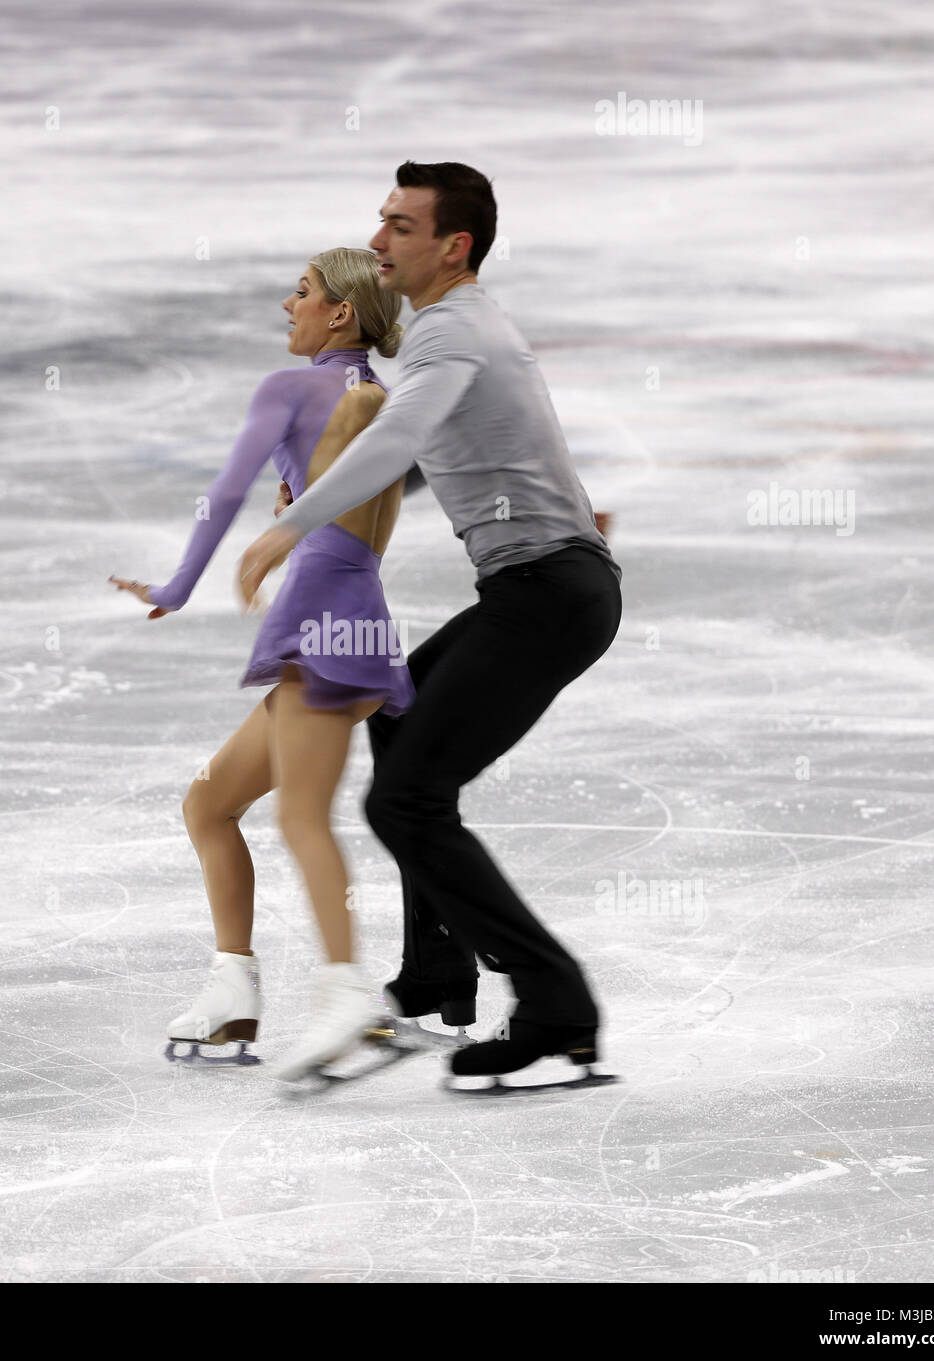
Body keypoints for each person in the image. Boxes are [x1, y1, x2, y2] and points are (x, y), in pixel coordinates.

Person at [238, 162, 624, 1085]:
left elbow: (398, 439)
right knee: (398, 710)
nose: (378, 241)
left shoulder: (451, 330)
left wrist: (289, 528)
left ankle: (557, 1003)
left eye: (401, 227)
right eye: (381, 221)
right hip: (543, 586)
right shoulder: (451, 332)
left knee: (403, 801)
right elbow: (434, 451)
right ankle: (437, 968)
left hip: (549, 593)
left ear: (455, 246)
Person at [110, 248, 412, 1082]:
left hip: (322, 614)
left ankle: (347, 992)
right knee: (209, 803)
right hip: (357, 613)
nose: (288, 304)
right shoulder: (380, 400)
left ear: (340, 313)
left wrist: (176, 585)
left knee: (302, 816)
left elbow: (224, 492)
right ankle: (232, 989)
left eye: (303, 292)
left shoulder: (292, 390)